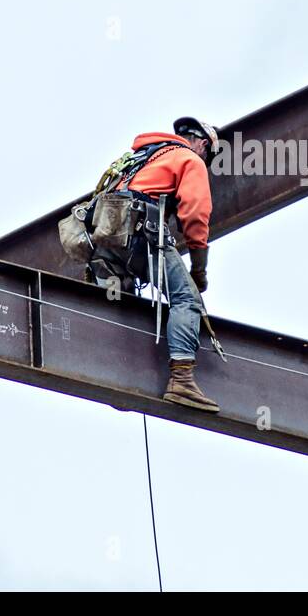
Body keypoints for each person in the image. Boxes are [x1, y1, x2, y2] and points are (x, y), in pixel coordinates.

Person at [89, 117, 220, 412]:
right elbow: (196, 216)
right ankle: (182, 382)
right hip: (140, 235)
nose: (205, 160)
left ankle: (118, 372)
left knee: (119, 303)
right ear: (201, 143)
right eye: (208, 155)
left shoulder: (140, 158)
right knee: (187, 298)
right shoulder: (189, 158)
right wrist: (198, 271)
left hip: (106, 241)